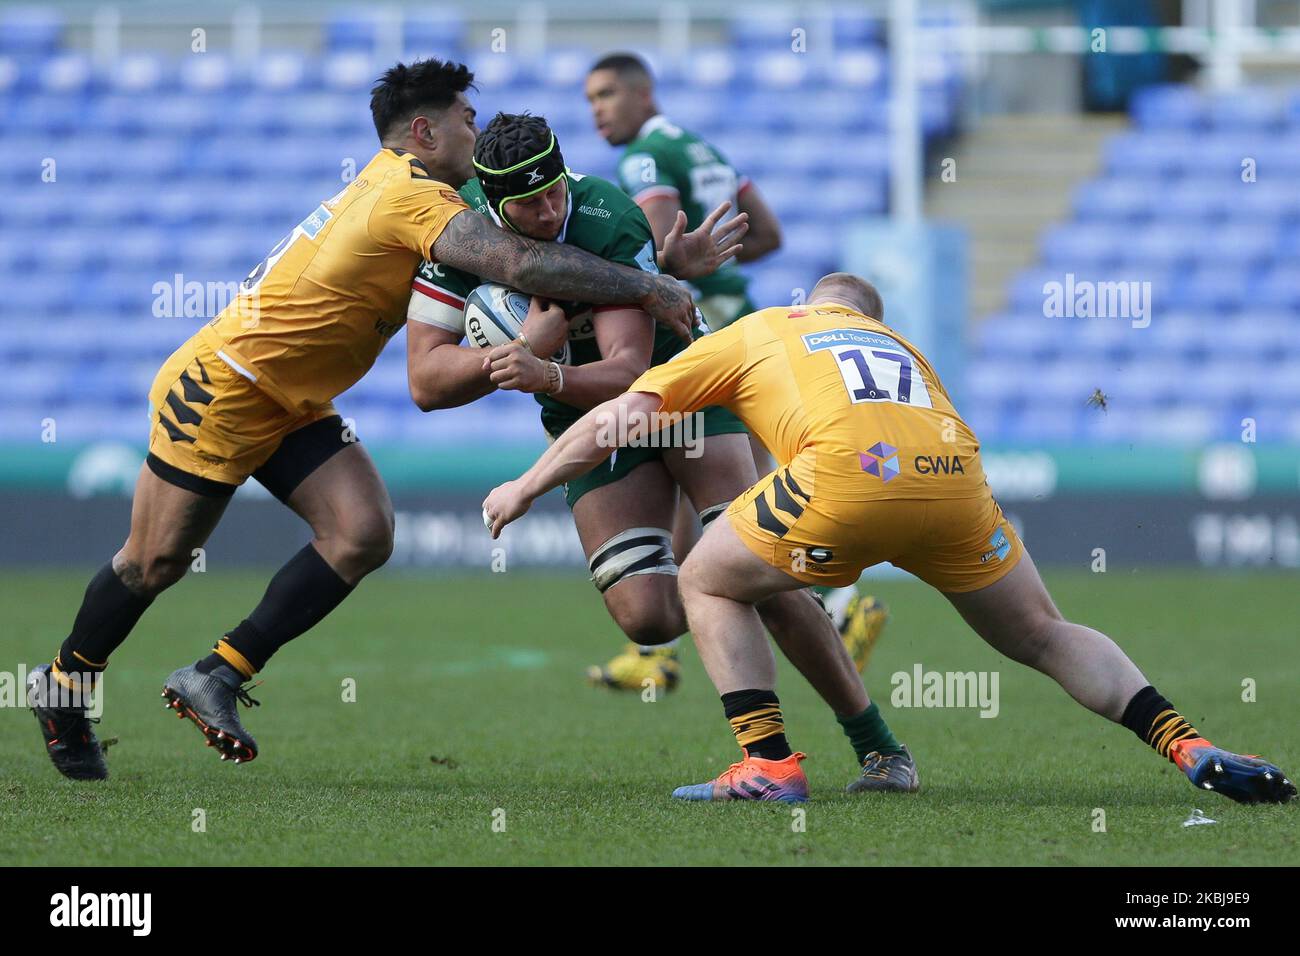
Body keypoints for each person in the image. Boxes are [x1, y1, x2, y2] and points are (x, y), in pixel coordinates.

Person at [27, 59, 702, 780]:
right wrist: (649, 284)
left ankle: (217, 675)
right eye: (467, 120)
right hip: (228, 385)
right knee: (152, 561)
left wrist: (648, 258)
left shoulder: (405, 187)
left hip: (293, 397)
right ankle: (63, 686)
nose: (476, 131)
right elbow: (521, 265)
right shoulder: (410, 195)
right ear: (424, 130)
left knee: (363, 532)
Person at [483, 273, 1296, 805]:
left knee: (706, 578)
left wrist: (526, 485)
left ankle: (767, 764)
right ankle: (1188, 744)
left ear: (815, 300)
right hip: (954, 478)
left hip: (849, 476)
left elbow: (625, 413)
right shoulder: (902, 345)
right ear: (870, 318)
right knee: (1045, 633)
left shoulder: (769, 325)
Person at [408, 116, 915, 791]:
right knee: (646, 617)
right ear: (493, 205)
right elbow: (426, 382)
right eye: (528, 203)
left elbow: (629, 372)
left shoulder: (604, 216)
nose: (548, 209)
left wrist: (545, 369)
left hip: (686, 394)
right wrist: (513, 353)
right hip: (581, 417)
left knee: (758, 570)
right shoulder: (454, 238)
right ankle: (731, 602)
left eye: (554, 190)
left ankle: (873, 748)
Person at [584, 52, 885, 685]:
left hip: (704, 344)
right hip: (744, 330)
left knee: (731, 501)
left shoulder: (644, 157)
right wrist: (717, 263)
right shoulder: (703, 150)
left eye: (608, 93)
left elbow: (654, 260)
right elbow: (768, 234)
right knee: (710, 494)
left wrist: (684, 267)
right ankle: (657, 658)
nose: (598, 110)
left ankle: (840, 605)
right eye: (591, 99)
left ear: (645, 94)